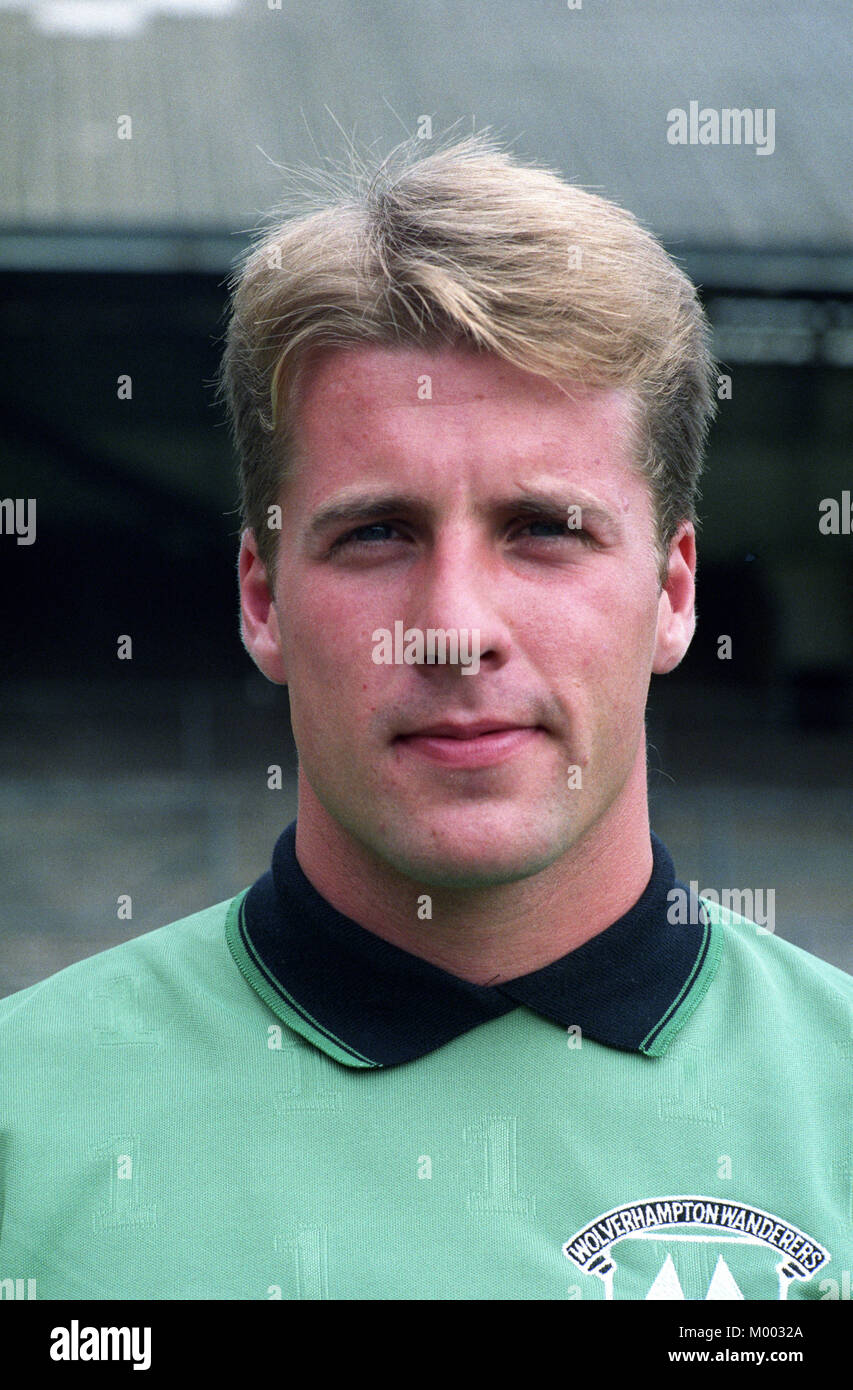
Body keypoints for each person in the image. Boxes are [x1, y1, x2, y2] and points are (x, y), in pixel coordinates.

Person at [1, 134, 849, 1302]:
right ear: (261, 599)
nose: (453, 627)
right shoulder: (26, 1125)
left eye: (545, 529)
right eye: (377, 532)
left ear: (672, 592)